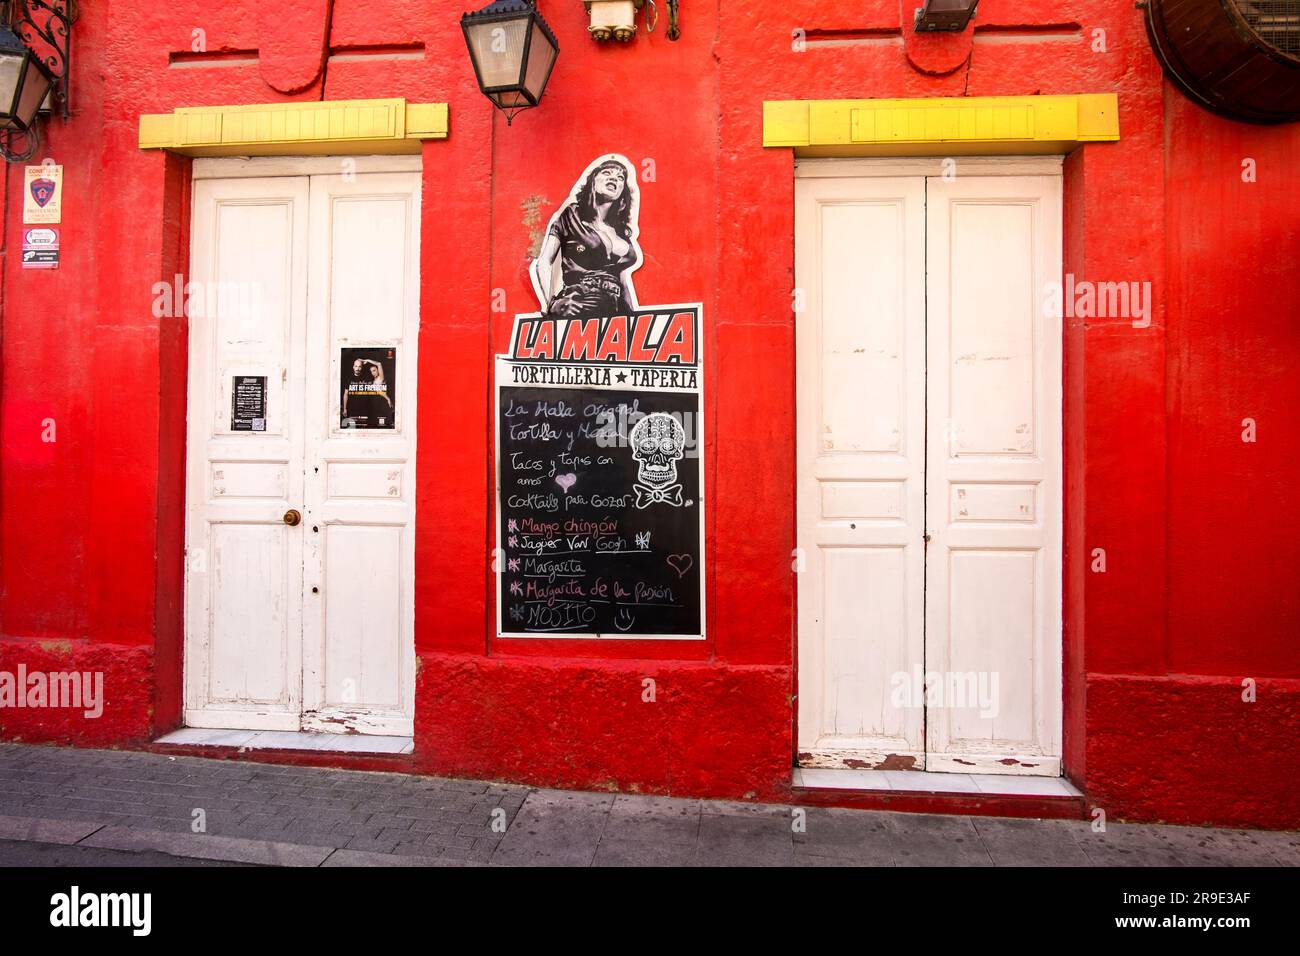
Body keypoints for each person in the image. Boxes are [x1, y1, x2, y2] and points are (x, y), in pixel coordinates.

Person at [531, 155, 643, 318]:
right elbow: (544, 261)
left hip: (619, 307)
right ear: (593, 180)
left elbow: (623, 279)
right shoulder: (572, 215)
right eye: (606, 172)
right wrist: (552, 303)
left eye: (620, 178)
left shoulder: (620, 230)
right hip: (582, 301)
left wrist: (633, 318)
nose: (614, 178)